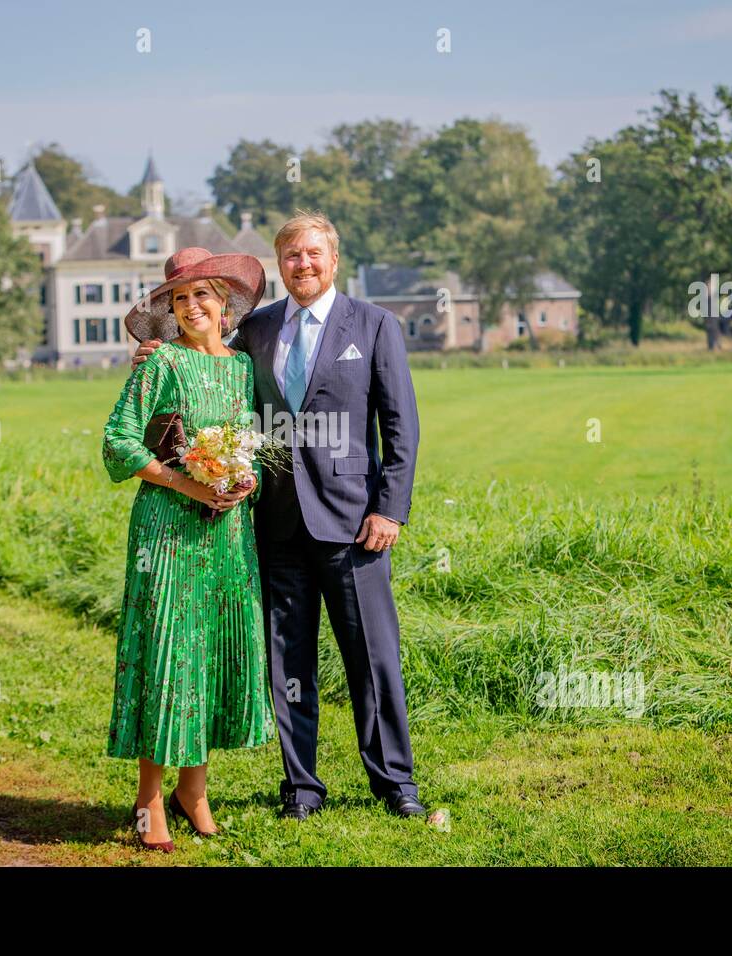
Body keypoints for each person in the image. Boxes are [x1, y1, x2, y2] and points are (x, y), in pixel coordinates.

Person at [131, 211, 427, 821]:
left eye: (314, 254)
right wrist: (153, 351)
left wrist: (390, 510)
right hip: (277, 523)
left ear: (334, 259)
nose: (304, 265)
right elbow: (203, 361)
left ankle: (395, 782)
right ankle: (302, 787)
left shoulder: (374, 326)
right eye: (292, 256)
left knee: (372, 657)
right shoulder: (259, 330)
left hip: (354, 524)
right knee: (288, 661)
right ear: (280, 264)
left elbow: (400, 426)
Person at [102, 247, 276, 852]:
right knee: (168, 649)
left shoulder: (241, 368)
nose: (192, 306)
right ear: (170, 310)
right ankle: (151, 796)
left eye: (203, 295)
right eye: (180, 298)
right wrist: (184, 481)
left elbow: (248, 440)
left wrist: (243, 477)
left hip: (227, 532)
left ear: (224, 305)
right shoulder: (160, 363)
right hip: (168, 530)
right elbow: (118, 442)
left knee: (206, 651)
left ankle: (193, 791)